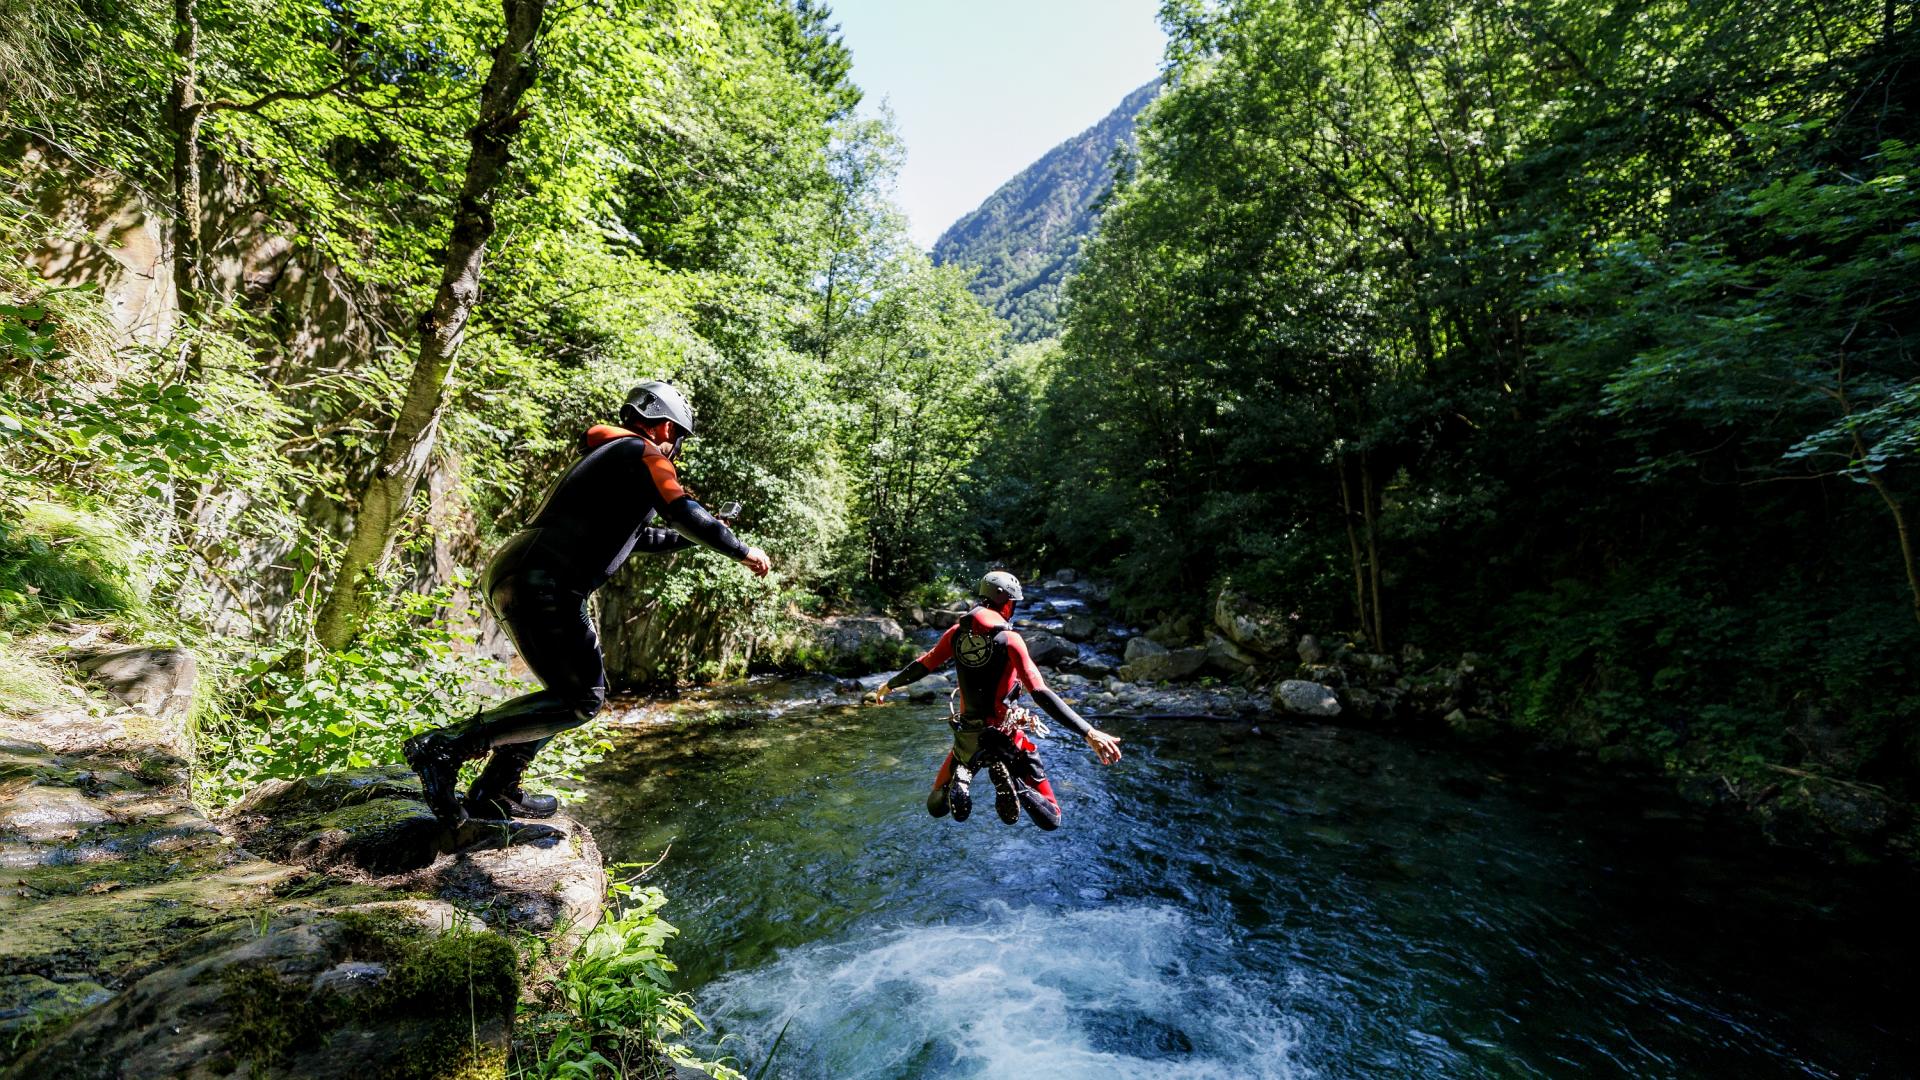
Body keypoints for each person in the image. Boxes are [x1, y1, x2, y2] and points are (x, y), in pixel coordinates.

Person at [403, 381, 771, 826]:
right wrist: (740, 549)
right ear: (665, 426)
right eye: (678, 437)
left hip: (522, 572)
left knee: (565, 697)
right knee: (581, 700)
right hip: (546, 580)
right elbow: (682, 510)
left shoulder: (610, 459)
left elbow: (645, 536)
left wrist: (698, 537)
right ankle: (445, 747)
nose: (676, 447)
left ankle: (495, 791)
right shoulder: (643, 453)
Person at [865, 571, 1121, 830]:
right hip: (1006, 736)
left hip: (968, 737)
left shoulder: (956, 634)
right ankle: (1018, 787)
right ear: (1008, 603)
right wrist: (1088, 732)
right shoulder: (1010, 640)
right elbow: (1040, 692)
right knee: (1052, 817)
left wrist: (889, 685)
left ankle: (959, 780)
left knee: (936, 806)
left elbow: (924, 665)